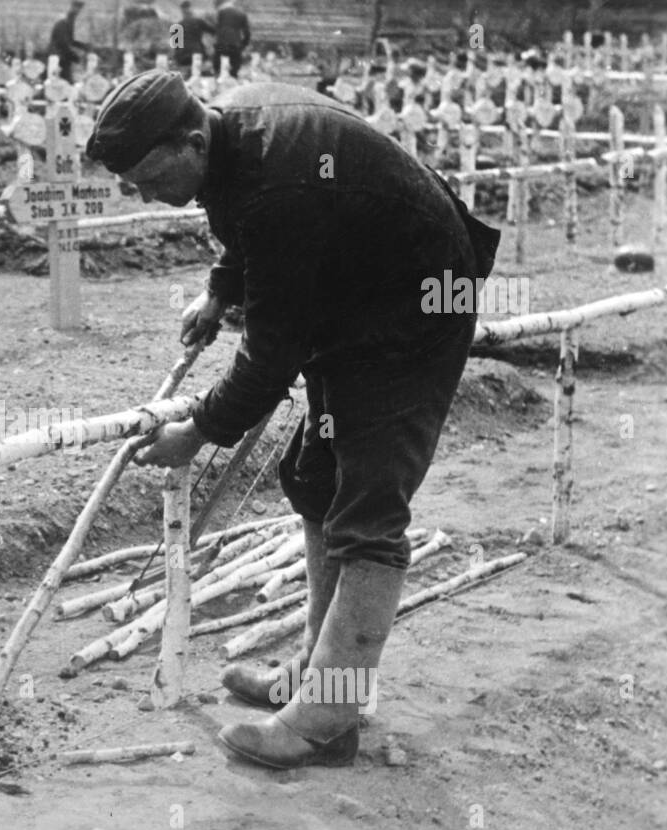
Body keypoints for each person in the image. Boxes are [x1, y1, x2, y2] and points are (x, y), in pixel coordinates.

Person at [85, 72, 499, 769]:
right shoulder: (229, 137)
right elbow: (245, 230)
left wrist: (197, 432)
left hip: (416, 304)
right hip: (357, 290)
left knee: (367, 507)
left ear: (191, 139)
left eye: (149, 179)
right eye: (130, 186)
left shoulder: (279, 184)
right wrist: (219, 293)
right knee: (314, 480)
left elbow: (268, 358)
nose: (143, 196)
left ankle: (325, 720)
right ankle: (313, 675)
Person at [48, 0, 91, 83]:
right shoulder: (62, 24)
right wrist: (76, 58)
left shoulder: (68, 24)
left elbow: (70, 41)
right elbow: (64, 45)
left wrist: (84, 46)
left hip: (64, 59)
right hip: (58, 60)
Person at [173, 1, 215, 71]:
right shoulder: (199, 21)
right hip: (197, 54)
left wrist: (176, 60)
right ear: (191, 11)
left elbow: (175, 46)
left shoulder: (176, 26)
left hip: (182, 58)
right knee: (209, 64)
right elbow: (213, 31)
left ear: (182, 13)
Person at [212, 0, 250, 75]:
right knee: (234, 69)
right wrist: (243, 45)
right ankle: (233, 79)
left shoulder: (222, 12)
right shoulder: (242, 14)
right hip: (235, 45)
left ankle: (219, 81)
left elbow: (217, 28)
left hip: (221, 45)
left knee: (218, 69)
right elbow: (247, 33)